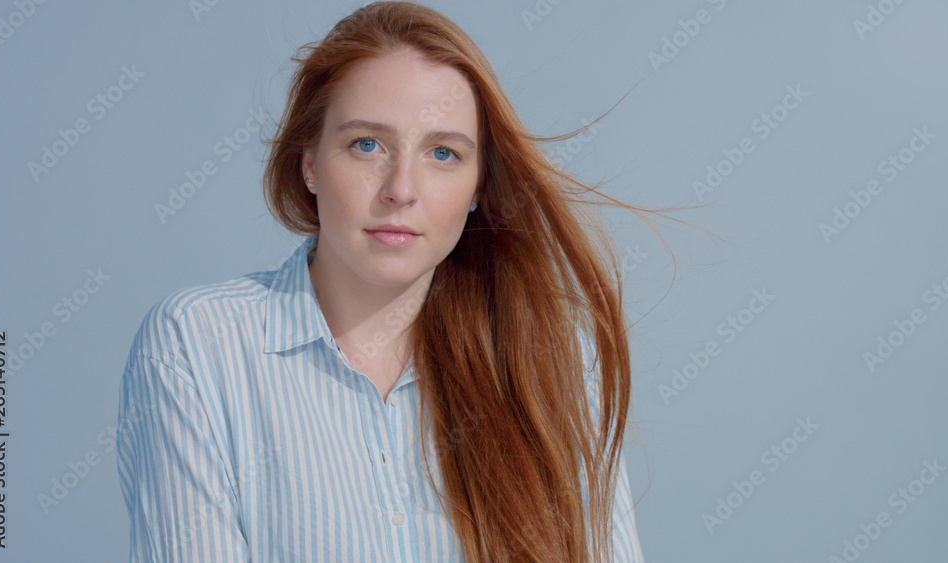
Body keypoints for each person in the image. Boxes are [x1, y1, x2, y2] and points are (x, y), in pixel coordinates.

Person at [117, 2, 648, 561]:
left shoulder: (552, 361)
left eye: (443, 153)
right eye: (366, 144)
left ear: (476, 189)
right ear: (310, 162)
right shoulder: (196, 348)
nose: (400, 189)